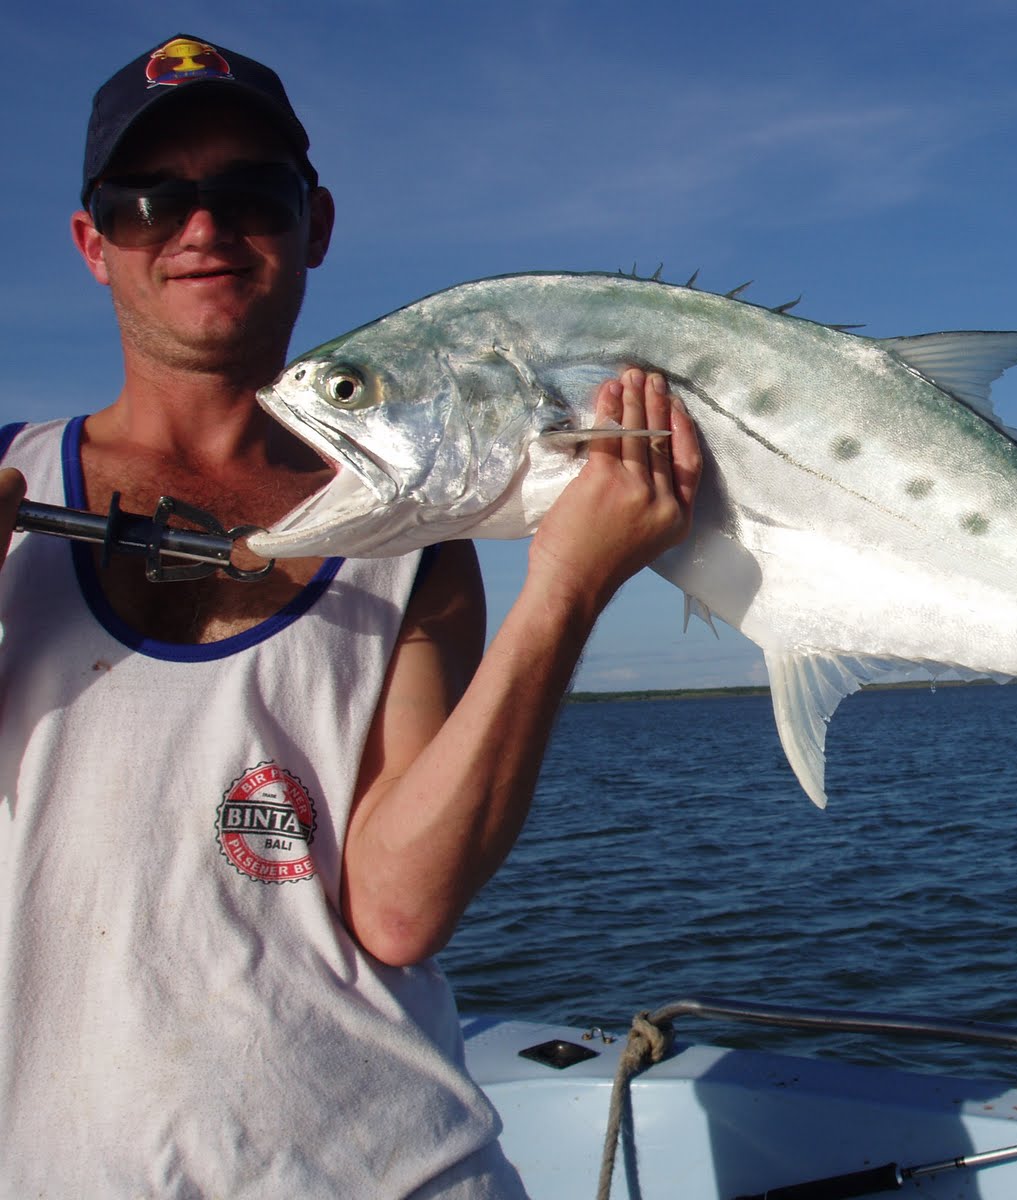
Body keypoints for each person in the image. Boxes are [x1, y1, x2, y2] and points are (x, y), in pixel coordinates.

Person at [0, 34, 700, 1197]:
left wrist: (569, 585)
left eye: (249, 193)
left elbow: (397, 906)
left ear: (314, 223)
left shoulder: (415, 537)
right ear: (94, 243)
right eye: (147, 200)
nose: (202, 230)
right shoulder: (15, 488)